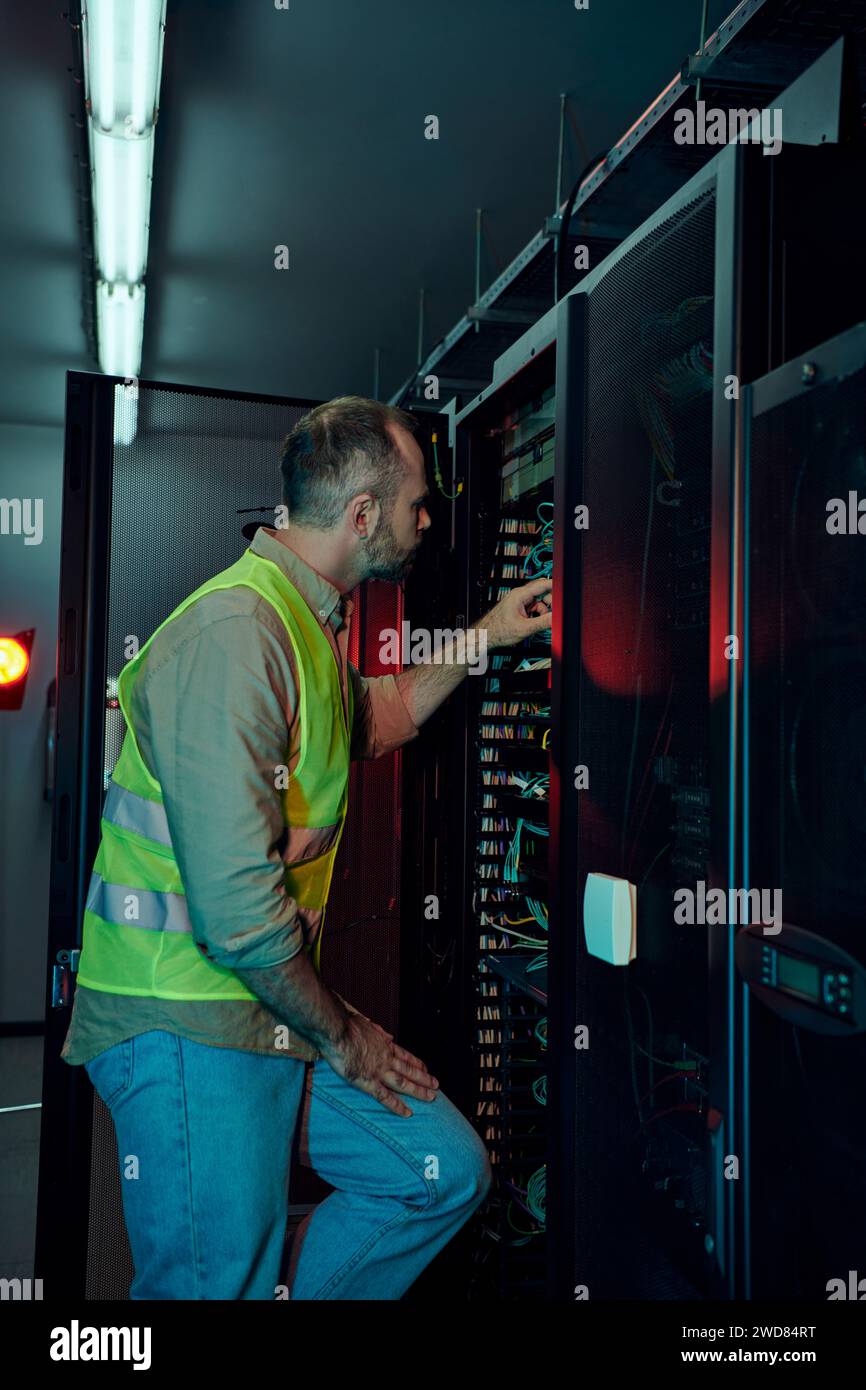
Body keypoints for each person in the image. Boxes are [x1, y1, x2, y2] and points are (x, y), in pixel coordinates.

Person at [61, 396, 553, 1299]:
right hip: (186, 1016)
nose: (427, 519)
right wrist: (348, 1039)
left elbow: (388, 712)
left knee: (439, 1171)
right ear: (363, 517)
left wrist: (491, 630)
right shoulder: (236, 635)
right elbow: (240, 922)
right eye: (416, 503)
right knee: (212, 1286)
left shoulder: (305, 630)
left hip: (266, 1012)